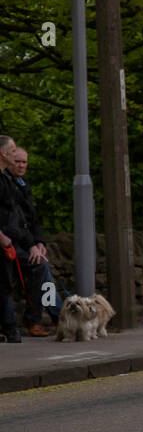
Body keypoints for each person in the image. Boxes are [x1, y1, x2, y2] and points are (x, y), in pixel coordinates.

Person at [0, 142, 62, 335]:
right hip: (12, 242)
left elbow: (33, 220)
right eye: (17, 161)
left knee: (41, 266)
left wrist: (39, 242)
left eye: (24, 162)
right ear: (8, 160)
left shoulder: (23, 185)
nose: (21, 165)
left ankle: (40, 318)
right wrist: (31, 245)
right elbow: (15, 221)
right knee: (37, 267)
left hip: (23, 241)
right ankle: (57, 317)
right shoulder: (7, 183)